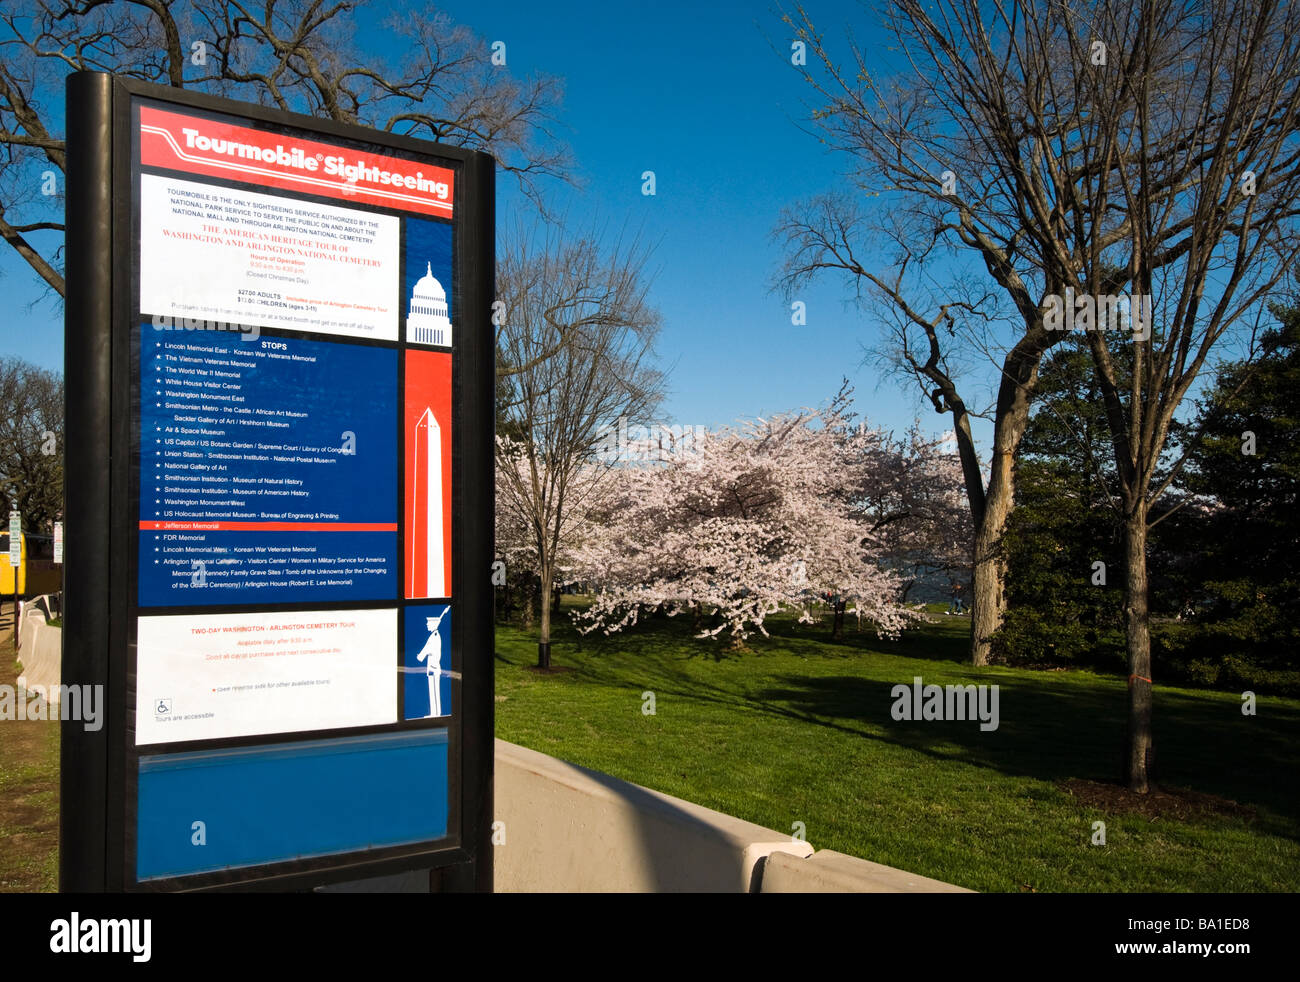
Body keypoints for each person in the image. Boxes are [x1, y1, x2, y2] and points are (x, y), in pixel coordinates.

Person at [416, 609, 449, 717]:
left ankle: (436, 713)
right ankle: (434, 712)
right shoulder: (433, 636)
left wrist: (420, 656)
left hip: (434, 668)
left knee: (435, 691)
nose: (426, 625)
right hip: (431, 668)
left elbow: (427, 649)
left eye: (428, 623)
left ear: (433, 624)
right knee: (432, 690)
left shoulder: (435, 637)